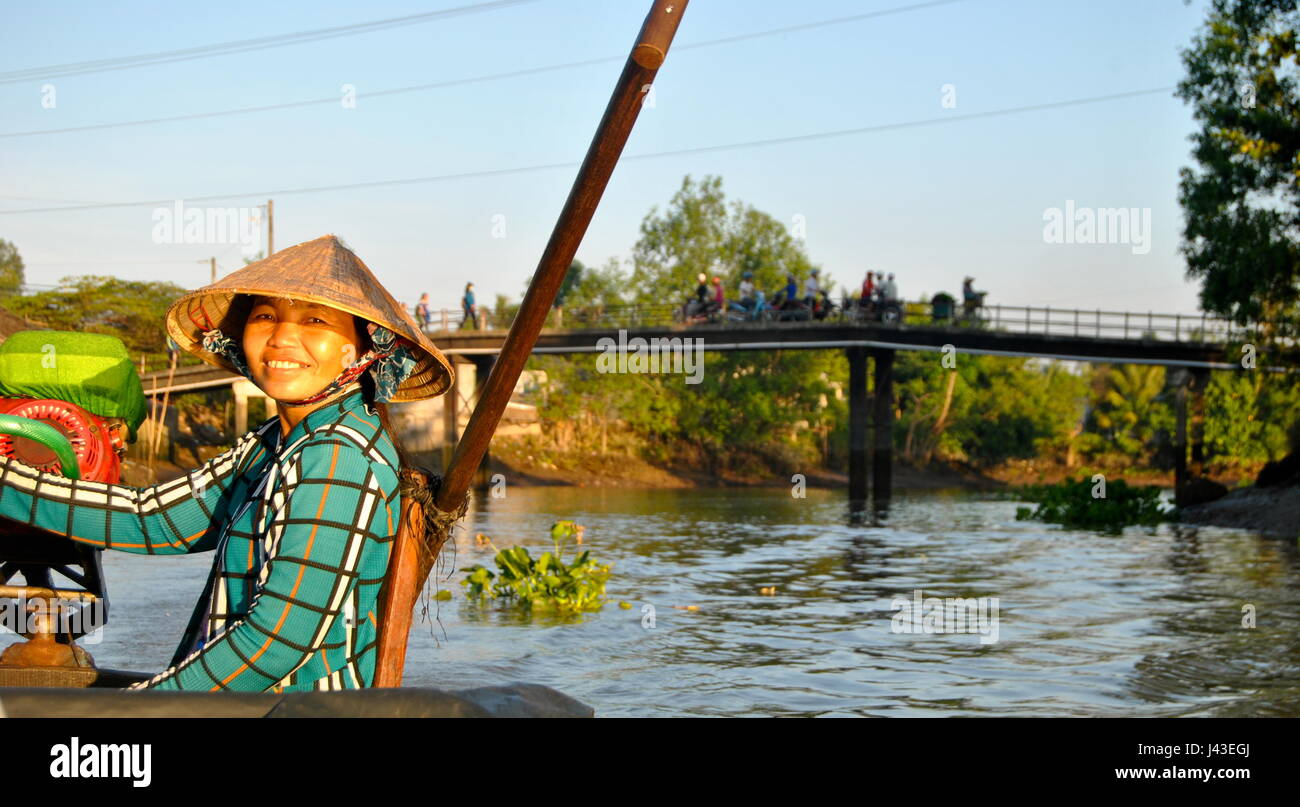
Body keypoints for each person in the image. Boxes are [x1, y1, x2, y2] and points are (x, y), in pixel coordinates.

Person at [0, 235, 456, 691]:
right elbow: (154, 519)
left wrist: (141, 708)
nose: (281, 338)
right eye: (265, 316)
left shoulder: (337, 457)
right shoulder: (277, 442)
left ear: (363, 350)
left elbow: (276, 641)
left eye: (314, 321)